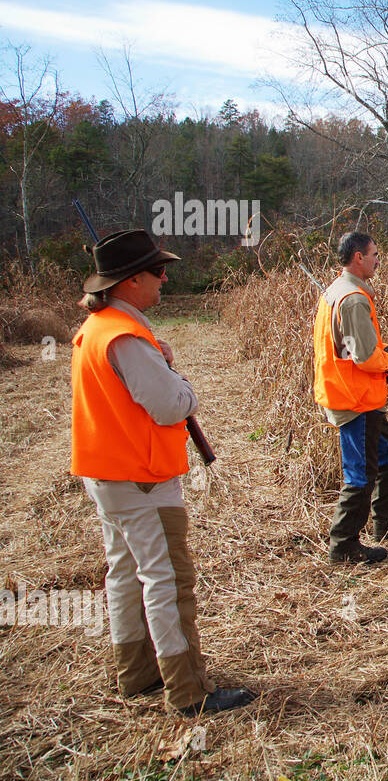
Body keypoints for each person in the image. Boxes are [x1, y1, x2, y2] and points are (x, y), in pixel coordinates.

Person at [71, 229, 253, 716]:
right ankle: (189, 689)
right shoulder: (125, 336)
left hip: (110, 475)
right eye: (157, 271)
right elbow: (171, 405)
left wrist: (159, 357)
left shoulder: (98, 329)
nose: (165, 278)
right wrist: (182, 381)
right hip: (143, 478)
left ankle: (136, 674)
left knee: (126, 574)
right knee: (168, 579)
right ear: (130, 282)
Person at [312, 231, 388, 563]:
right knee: (360, 475)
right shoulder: (353, 298)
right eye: (374, 254)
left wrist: (380, 353)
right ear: (358, 257)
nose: (378, 259)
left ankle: (385, 522)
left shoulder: (338, 290)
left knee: (387, 452)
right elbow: (363, 358)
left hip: (360, 396)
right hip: (354, 400)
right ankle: (343, 545)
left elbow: (352, 347)